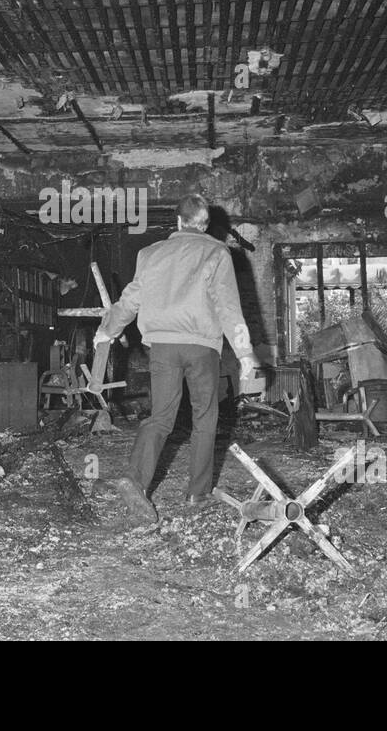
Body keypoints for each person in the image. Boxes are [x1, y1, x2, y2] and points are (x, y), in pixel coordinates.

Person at [94, 194, 259, 524]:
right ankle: (197, 493)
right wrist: (245, 353)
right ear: (205, 224)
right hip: (201, 348)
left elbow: (130, 300)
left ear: (178, 221)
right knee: (205, 417)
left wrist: (107, 330)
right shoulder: (217, 252)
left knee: (161, 417)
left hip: (163, 346)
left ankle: (135, 479)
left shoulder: (150, 254)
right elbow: (228, 308)